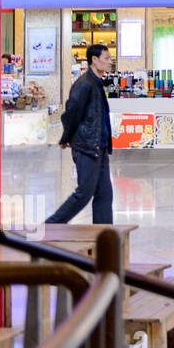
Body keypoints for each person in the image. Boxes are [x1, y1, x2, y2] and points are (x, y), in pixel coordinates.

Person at [47, 43, 115, 225]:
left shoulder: (97, 83)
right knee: (84, 193)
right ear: (94, 59)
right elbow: (71, 113)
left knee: (104, 194)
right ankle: (51, 226)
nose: (110, 62)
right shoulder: (84, 84)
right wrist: (66, 137)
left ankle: (103, 234)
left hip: (99, 147)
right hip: (87, 146)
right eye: (106, 58)